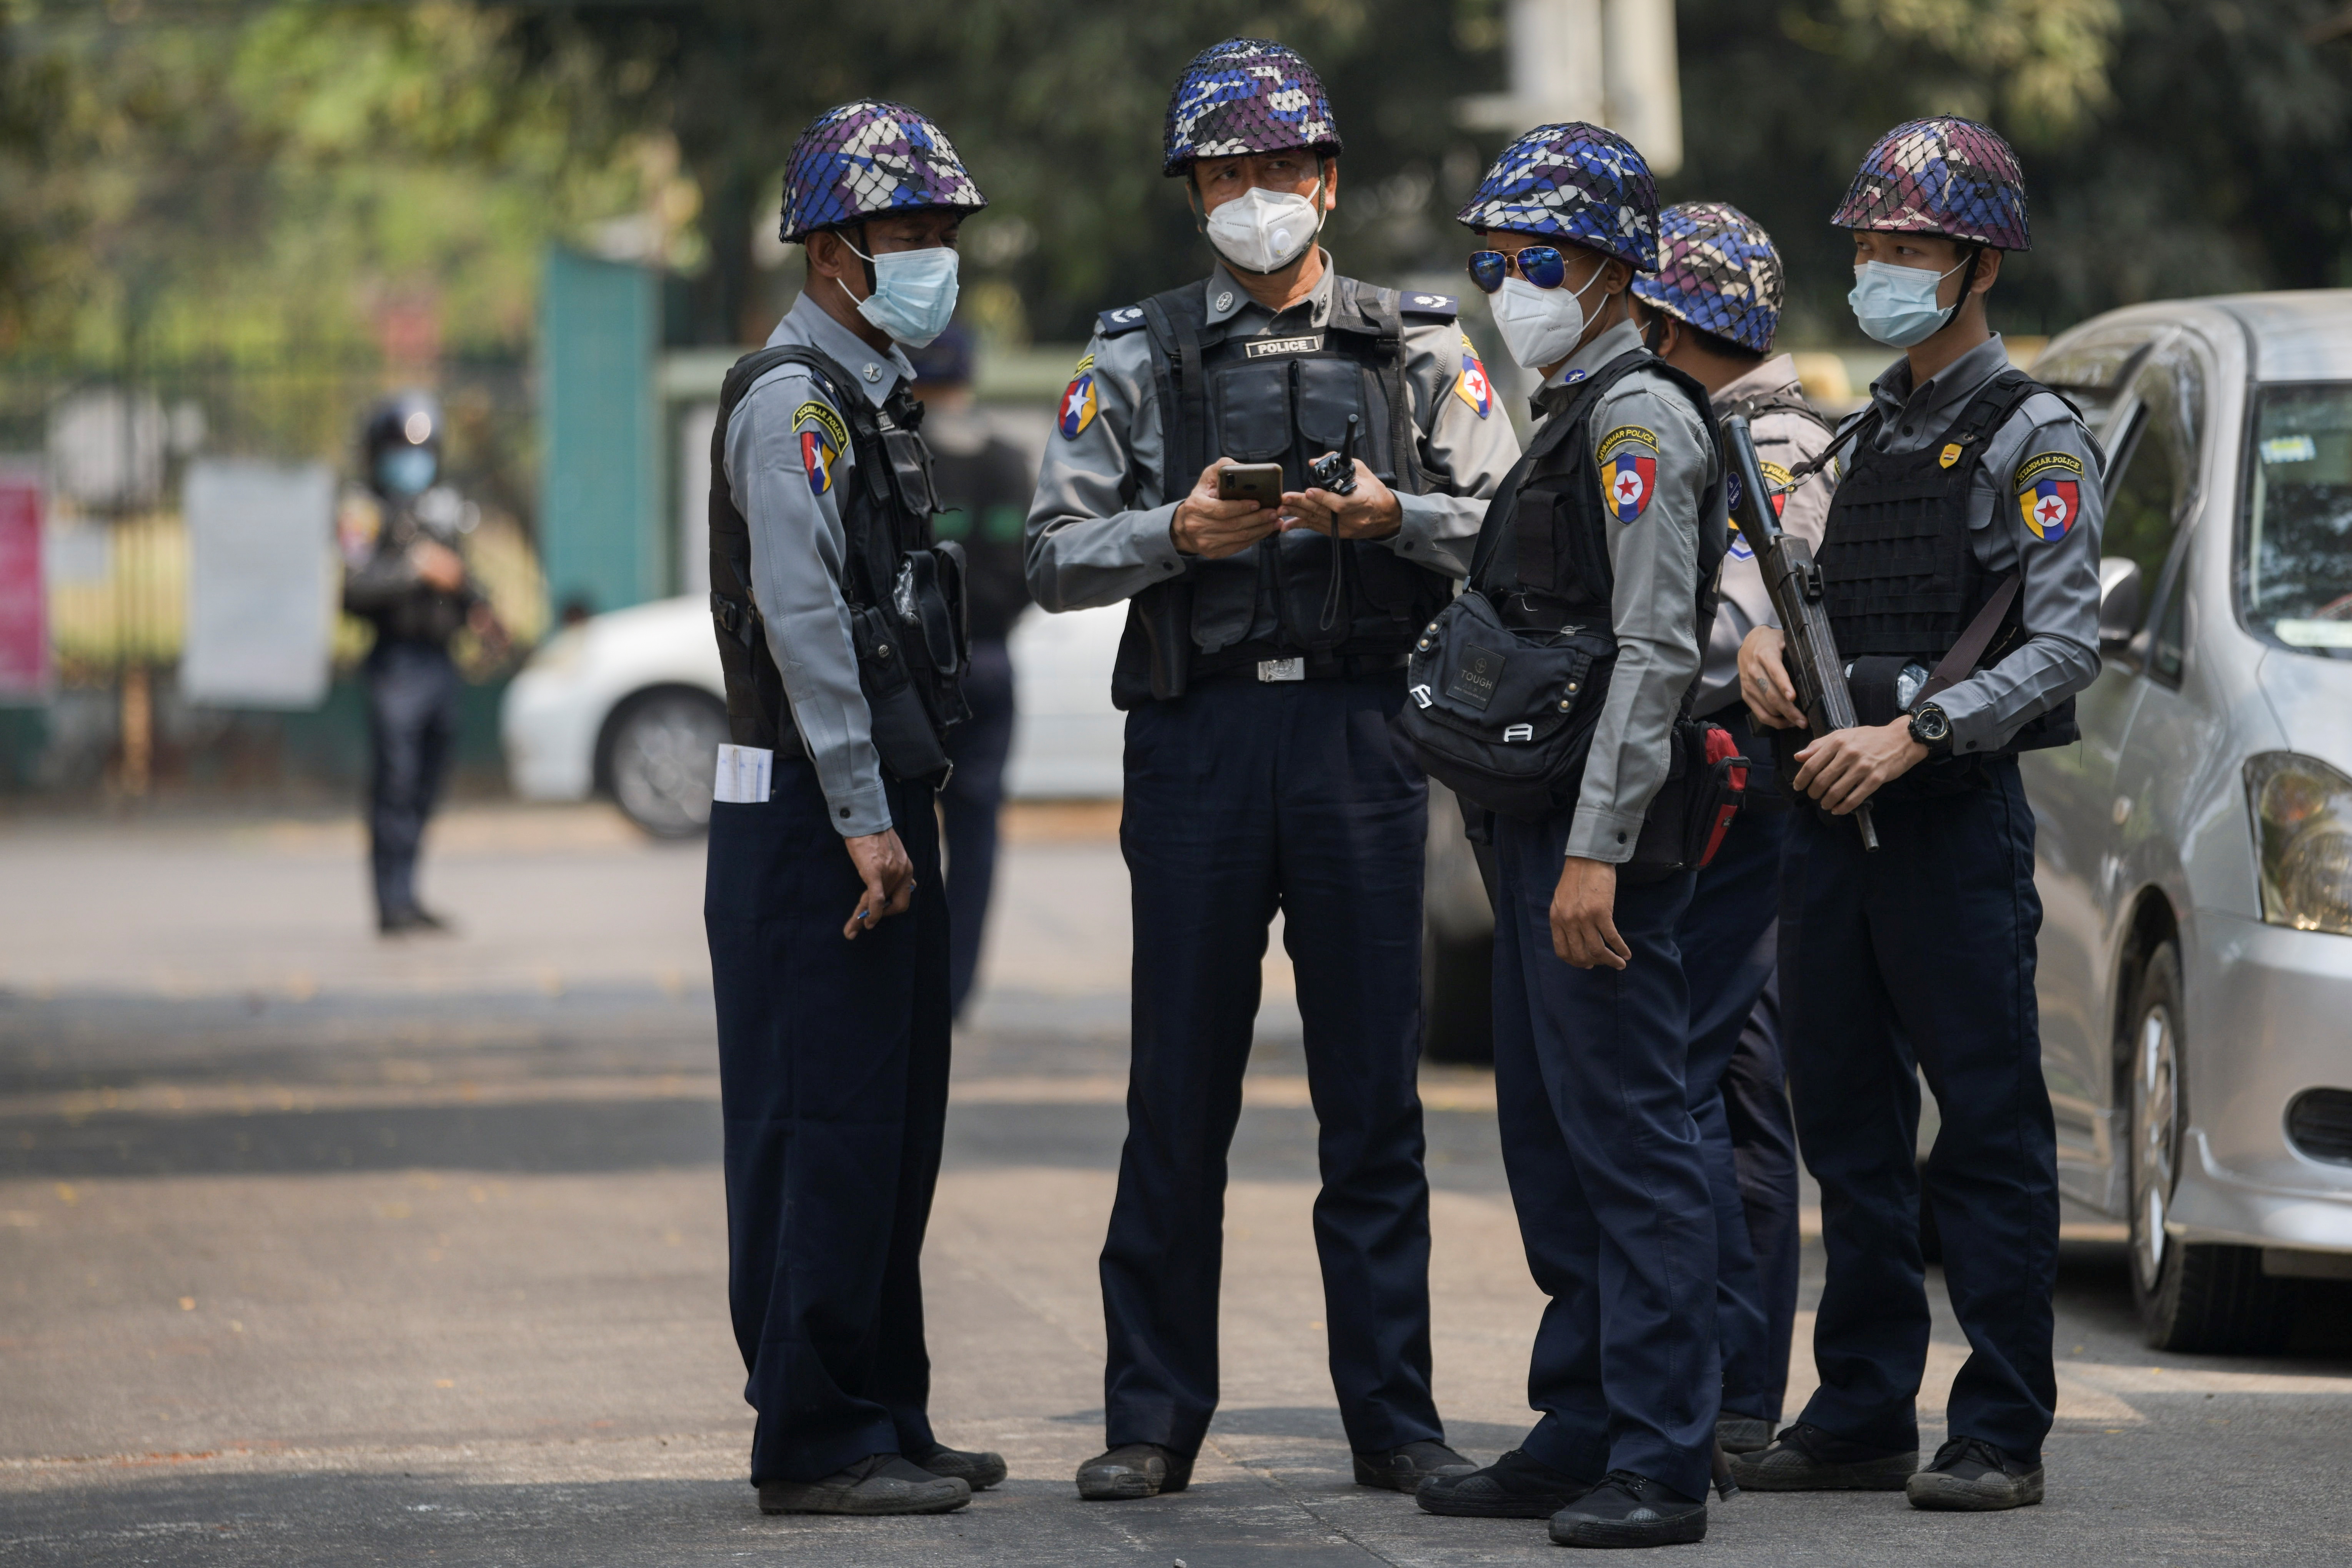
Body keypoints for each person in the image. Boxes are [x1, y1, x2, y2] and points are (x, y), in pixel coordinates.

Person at [1025, 36, 1518, 1502]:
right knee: (1176, 1090)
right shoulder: (1135, 348)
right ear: (1193, 191)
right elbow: (1050, 554)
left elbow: (1508, 528)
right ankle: (1150, 1416)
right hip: (1199, 738)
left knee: (1372, 1096)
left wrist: (1393, 519)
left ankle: (1393, 1419)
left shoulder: (1419, 342)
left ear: (1325, 180)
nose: (1253, 193)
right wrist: (1170, 537)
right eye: (1223, 171)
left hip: (1363, 740)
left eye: (1275, 167)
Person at [1729, 117, 2105, 1513]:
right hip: (1826, 818)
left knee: (1987, 1129)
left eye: (1907, 244)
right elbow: (1809, 591)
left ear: (1976, 262)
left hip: (1945, 822)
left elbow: (2065, 643)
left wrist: (1913, 733)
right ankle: (1860, 1406)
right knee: (1843, 1119)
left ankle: (1999, 1421)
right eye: (1868, 242)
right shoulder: (1865, 425)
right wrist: (1761, 647)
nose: (1878, 264)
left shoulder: (2033, 432)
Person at [1410, 124, 1728, 1549]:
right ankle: (1582, 1417)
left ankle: (1662, 1451)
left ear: (1610, 271)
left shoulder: (1636, 418)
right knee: (1550, 1136)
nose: (1510, 286)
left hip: (1604, 843)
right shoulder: (1567, 409)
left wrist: (1597, 847)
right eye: (1492, 260)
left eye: (1535, 259)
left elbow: (1658, 646)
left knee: (1632, 1142)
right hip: (1535, 829)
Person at [701, 100, 1004, 1518]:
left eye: (943, 231)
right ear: (831, 251)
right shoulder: (789, 401)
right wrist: (863, 813)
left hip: (878, 804)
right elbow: (802, 614)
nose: (933, 254)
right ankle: (812, 1436)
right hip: (813, 819)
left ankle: (886, 1406)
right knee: (818, 1123)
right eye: (908, 231)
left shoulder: (867, 391)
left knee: (890, 1124)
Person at [1626, 202, 1831, 1454]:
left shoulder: (1765, 442)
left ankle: (1707, 1388)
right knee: (1740, 1083)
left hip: (1722, 776)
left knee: (1690, 1079)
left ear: (1671, 319)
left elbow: (1731, 629)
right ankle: (1739, 1393)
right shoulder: (1758, 424)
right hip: (1742, 782)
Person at [904, 325, 1035, 1018]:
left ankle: (903, 977)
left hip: (912, 672)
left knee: (899, 823)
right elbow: (1028, 575)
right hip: (989, 661)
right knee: (976, 831)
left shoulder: (901, 454)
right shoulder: (1010, 460)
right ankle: (952, 992)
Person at [340, 391, 500, 935]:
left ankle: (409, 892)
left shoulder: (443, 507)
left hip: (441, 664)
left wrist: (480, 609)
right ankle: (389, 903)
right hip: (396, 665)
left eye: (421, 448)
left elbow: (459, 576)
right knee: (396, 782)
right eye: (398, 448)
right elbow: (353, 589)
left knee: (429, 782)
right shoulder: (363, 510)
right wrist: (413, 568)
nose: (412, 461)